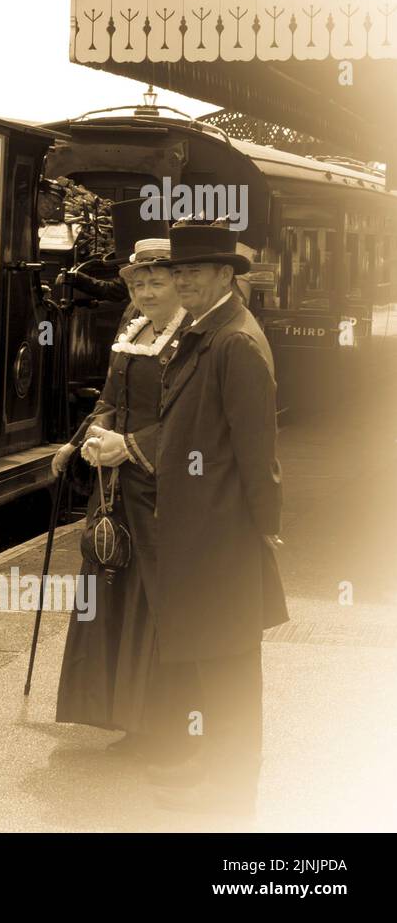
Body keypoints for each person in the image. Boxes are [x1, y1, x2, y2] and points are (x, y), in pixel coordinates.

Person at [137, 221, 288, 816]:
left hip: (221, 530)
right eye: (178, 272)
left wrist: (263, 526)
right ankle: (221, 775)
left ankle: (232, 793)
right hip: (201, 525)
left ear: (226, 274)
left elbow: (257, 447)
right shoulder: (210, 332)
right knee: (210, 656)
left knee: (227, 667)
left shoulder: (233, 342)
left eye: (193, 272)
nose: (182, 282)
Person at [53, 237, 192, 760]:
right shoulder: (132, 329)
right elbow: (110, 397)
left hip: (161, 487)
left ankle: (161, 722)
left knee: (151, 598)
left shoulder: (191, 338)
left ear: (179, 282)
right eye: (139, 283)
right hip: (114, 489)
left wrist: (130, 447)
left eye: (158, 281)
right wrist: (78, 442)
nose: (148, 292)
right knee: (111, 587)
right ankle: (123, 714)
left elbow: (191, 419)